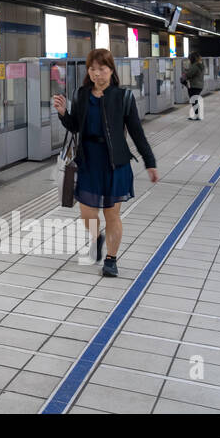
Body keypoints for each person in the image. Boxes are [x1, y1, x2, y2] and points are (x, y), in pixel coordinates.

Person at [53, 48, 159, 278]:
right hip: (88, 161)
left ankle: (111, 259)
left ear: (111, 70)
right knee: (87, 214)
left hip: (115, 164)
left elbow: (137, 134)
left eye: (101, 69)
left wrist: (150, 162)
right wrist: (63, 113)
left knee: (112, 214)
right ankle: (96, 237)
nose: (96, 74)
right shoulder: (81, 94)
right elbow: (75, 126)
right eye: (92, 69)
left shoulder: (123, 98)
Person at [182, 51, 205, 120]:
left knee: (193, 100)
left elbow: (189, 74)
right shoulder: (201, 65)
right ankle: (197, 115)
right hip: (199, 85)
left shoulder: (195, 65)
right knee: (195, 100)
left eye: (189, 58)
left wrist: (185, 73)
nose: (189, 60)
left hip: (194, 85)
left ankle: (197, 115)